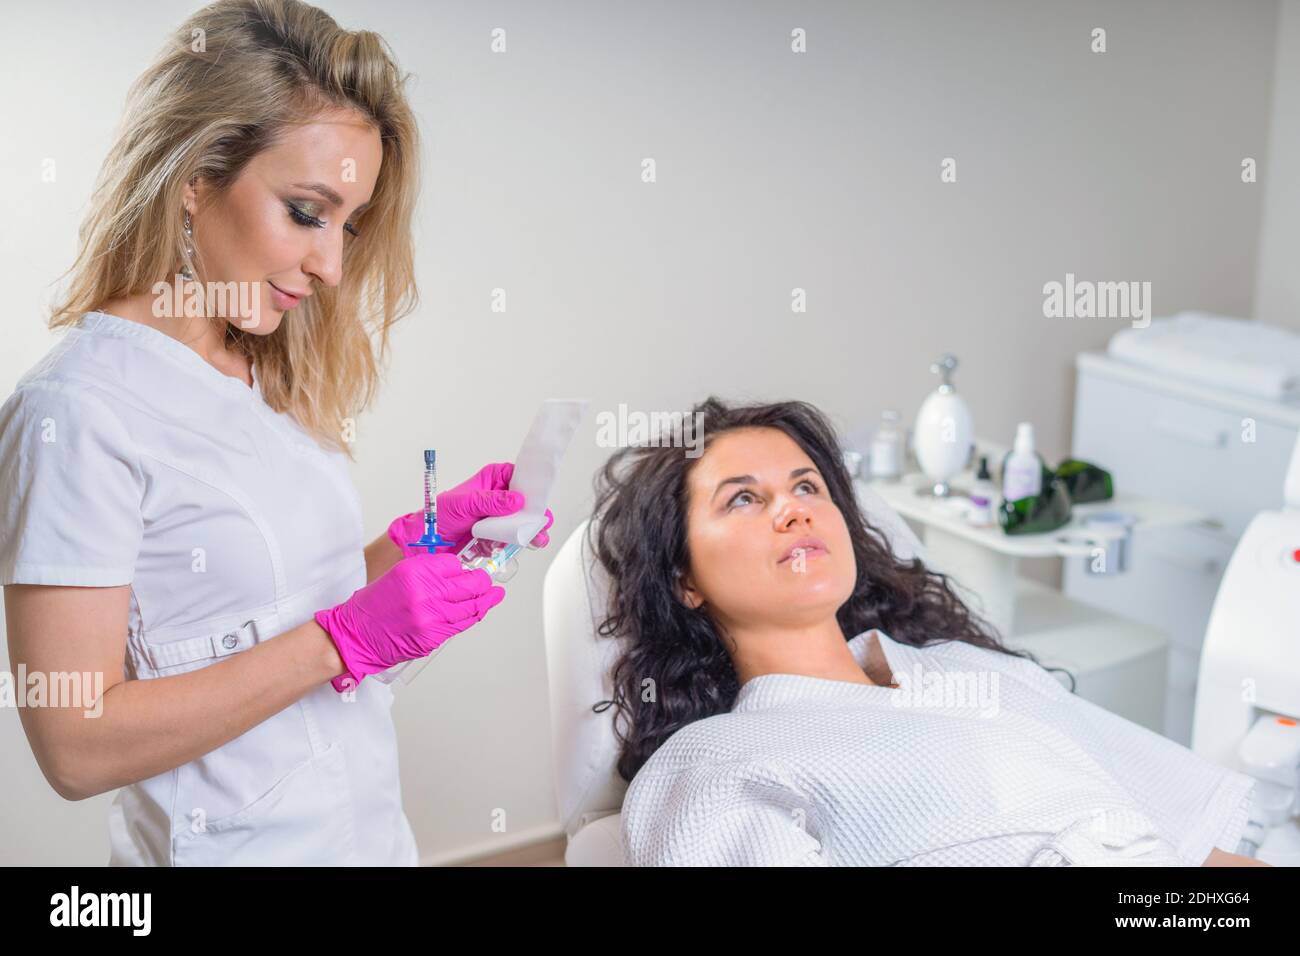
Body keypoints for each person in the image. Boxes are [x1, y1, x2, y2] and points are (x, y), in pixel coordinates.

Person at [0, 0, 550, 865]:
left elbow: (270, 612)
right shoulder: (77, 411)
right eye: (306, 212)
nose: (332, 266)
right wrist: (349, 637)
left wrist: (411, 554)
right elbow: (74, 745)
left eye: (348, 224)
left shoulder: (264, 369)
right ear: (194, 177)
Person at [589, 397, 1267, 866]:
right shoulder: (709, 764)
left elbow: (1204, 852)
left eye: (808, 487)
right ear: (686, 580)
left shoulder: (974, 674)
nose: (794, 511)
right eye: (743, 498)